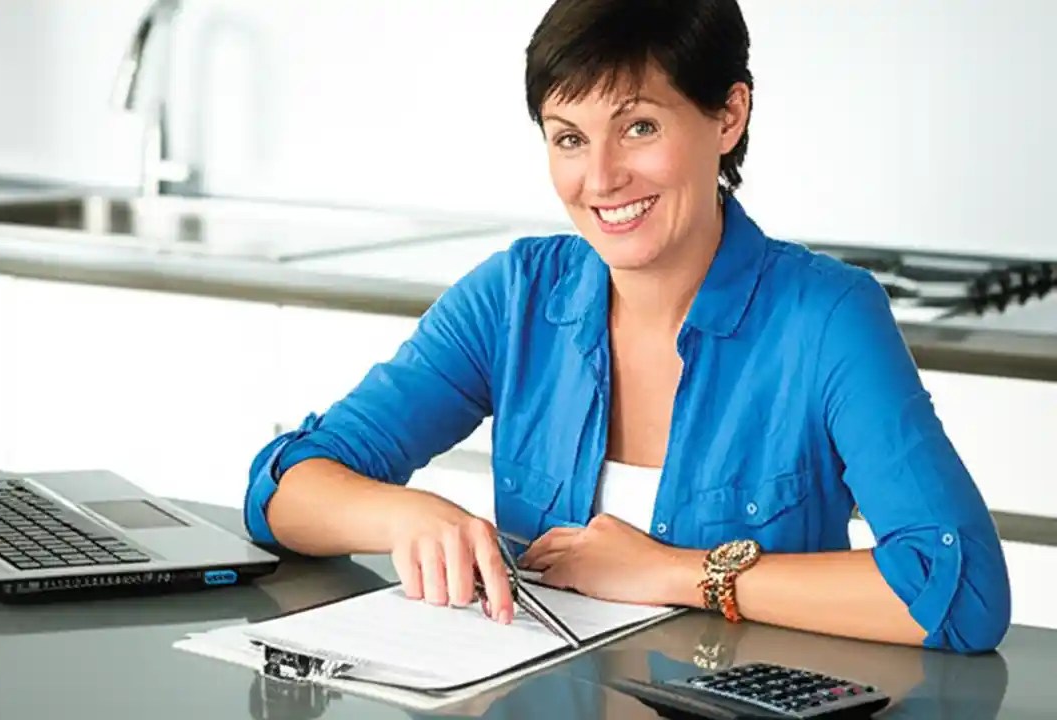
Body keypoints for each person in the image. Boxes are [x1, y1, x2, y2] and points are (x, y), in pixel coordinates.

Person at [242, 0, 1011, 654]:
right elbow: (279, 490)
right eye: (569, 137)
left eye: (638, 127)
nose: (601, 178)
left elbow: (961, 588)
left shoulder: (828, 319)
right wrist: (407, 513)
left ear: (728, 116)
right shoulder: (512, 298)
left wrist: (678, 572)